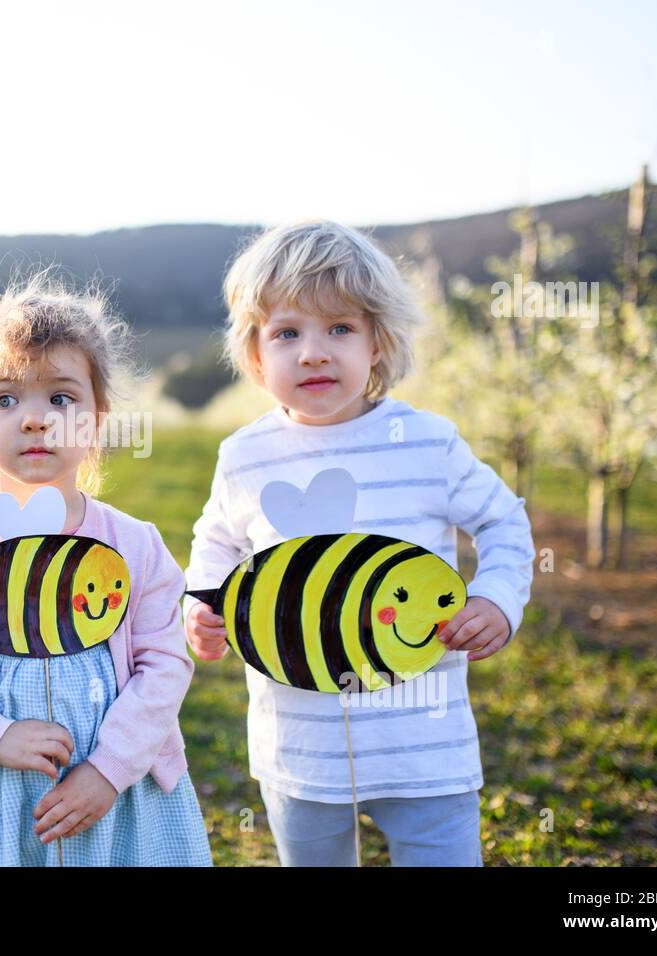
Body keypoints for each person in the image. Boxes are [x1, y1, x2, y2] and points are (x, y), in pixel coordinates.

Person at [184, 220, 535, 866]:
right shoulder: (244, 456)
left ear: (378, 342)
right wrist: (202, 606)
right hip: (300, 744)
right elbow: (215, 543)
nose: (313, 352)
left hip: (421, 741)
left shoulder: (427, 443)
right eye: (287, 332)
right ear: (256, 355)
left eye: (339, 328)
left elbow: (503, 521)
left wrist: (496, 599)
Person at [0, 268, 213, 866]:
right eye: (5, 398)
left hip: (119, 794)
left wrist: (109, 770)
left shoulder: (134, 546)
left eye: (60, 397)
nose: (34, 419)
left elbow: (164, 664)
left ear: (97, 417)